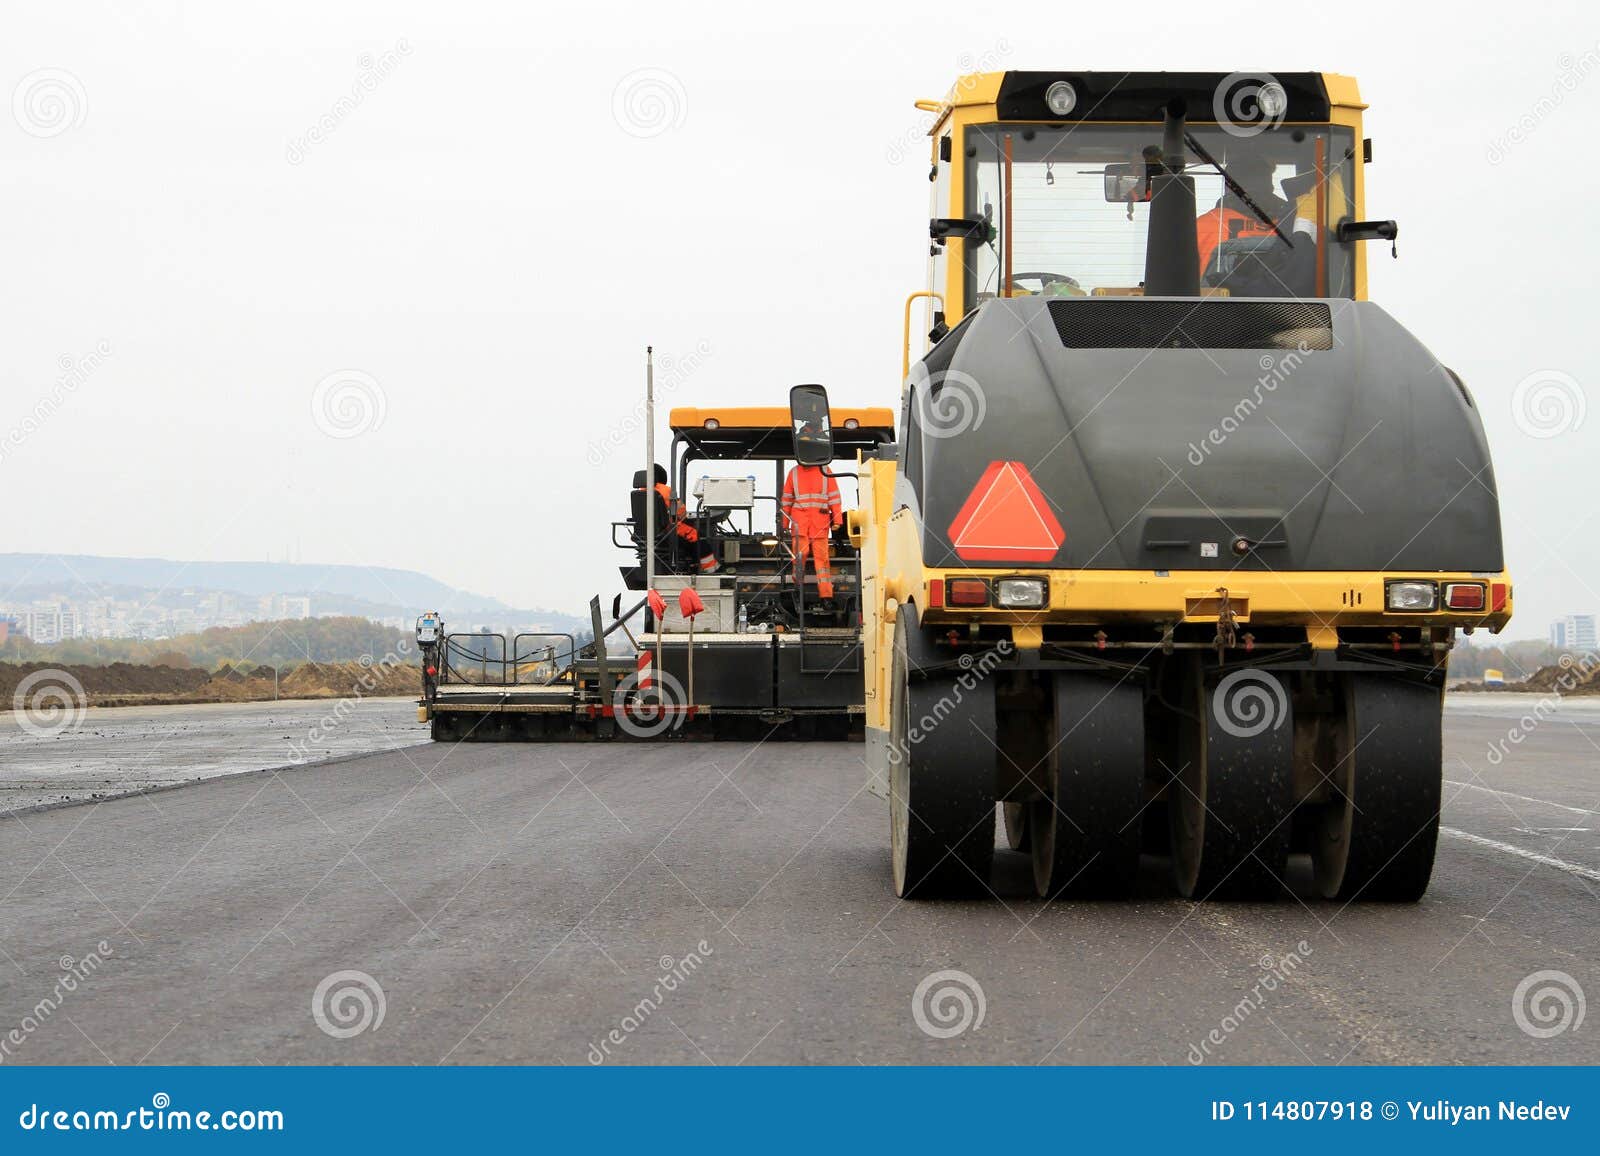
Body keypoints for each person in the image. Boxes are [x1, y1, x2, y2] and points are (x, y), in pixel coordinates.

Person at [1194, 156, 1289, 278]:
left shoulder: (1200, 226)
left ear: (1227, 187)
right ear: (1270, 186)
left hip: (1216, 291)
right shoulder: (1295, 225)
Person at [780, 438, 843, 603]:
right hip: (804, 524)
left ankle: (825, 595)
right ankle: (799, 590)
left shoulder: (823, 470)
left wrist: (837, 519)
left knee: (818, 560)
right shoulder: (799, 472)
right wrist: (784, 523)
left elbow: (834, 497)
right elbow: (786, 500)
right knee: (801, 558)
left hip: (814, 523)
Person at [637, 465, 717, 573]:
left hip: (645, 535)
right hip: (667, 532)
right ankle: (710, 570)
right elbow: (681, 513)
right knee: (699, 537)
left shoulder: (639, 492)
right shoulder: (665, 490)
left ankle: (693, 565)